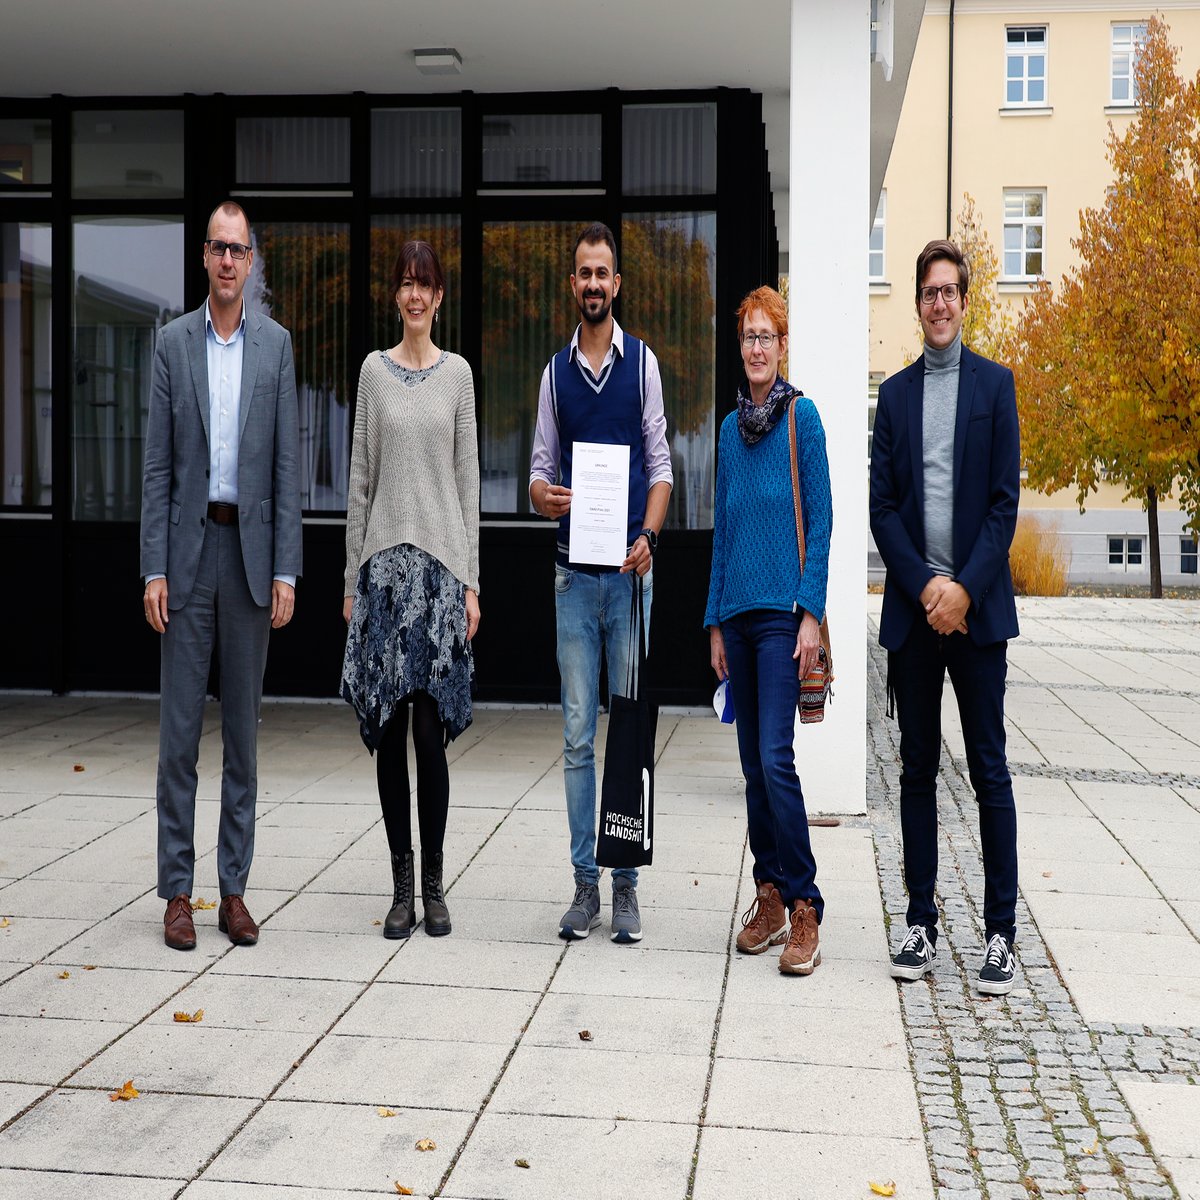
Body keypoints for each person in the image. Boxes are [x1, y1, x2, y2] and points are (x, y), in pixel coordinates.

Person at [141, 200, 302, 951]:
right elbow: (156, 470)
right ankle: (178, 892)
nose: (228, 261)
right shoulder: (172, 344)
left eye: (238, 249)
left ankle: (233, 890)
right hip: (187, 556)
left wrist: (287, 570)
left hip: (250, 560)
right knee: (179, 738)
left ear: (251, 259)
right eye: (218, 248)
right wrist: (153, 568)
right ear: (204, 258)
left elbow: (288, 470)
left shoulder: (277, 347)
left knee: (243, 739)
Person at [869, 238, 1021, 996]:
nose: (938, 303)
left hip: (977, 615)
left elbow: (1003, 505)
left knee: (989, 769)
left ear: (965, 300)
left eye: (948, 292)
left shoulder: (996, 386)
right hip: (915, 613)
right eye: (928, 292)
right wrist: (928, 589)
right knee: (917, 771)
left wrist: (962, 590)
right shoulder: (896, 396)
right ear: (918, 302)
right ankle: (921, 921)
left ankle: (1000, 935)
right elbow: (883, 507)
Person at [529, 221, 672, 943]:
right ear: (574, 283)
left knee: (631, 731)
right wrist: (544, 496)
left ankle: (626, 886)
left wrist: (649, 537)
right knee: (579, 735)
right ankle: (585, 885)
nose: (592, 283)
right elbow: (537, 472)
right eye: (582, 273)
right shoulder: (554, 374)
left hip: (628, 580)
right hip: (573, 582)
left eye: (602, 273)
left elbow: (662, 467)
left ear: (617, 283)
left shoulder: (642, 364)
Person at [341, 240, 480, 940]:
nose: (415, 294)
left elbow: (467, 483)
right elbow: (359, 479)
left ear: (440, 296)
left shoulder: (459, 376)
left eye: (425, 284)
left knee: (431, 734)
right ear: (396, 296)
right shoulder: (373, 372)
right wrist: (350, 582)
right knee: (391, 731)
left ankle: (434, 885)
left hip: (440, 575)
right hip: (383, 576)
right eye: (406, 283)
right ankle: (401, 889)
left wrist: (472, 583)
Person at [704, 285, 831, 976]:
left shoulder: (801, 419)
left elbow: (824, 519)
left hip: (784, 618)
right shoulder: (729, 430)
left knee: (776, 758)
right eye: (748, 337)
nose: (756, 348)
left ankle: (806, 902)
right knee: (752, 764)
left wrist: (810, 611)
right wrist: (714, 623)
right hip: (739, 618)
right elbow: (724, 532)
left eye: (766, 337)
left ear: (782, 346)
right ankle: (771, 893)